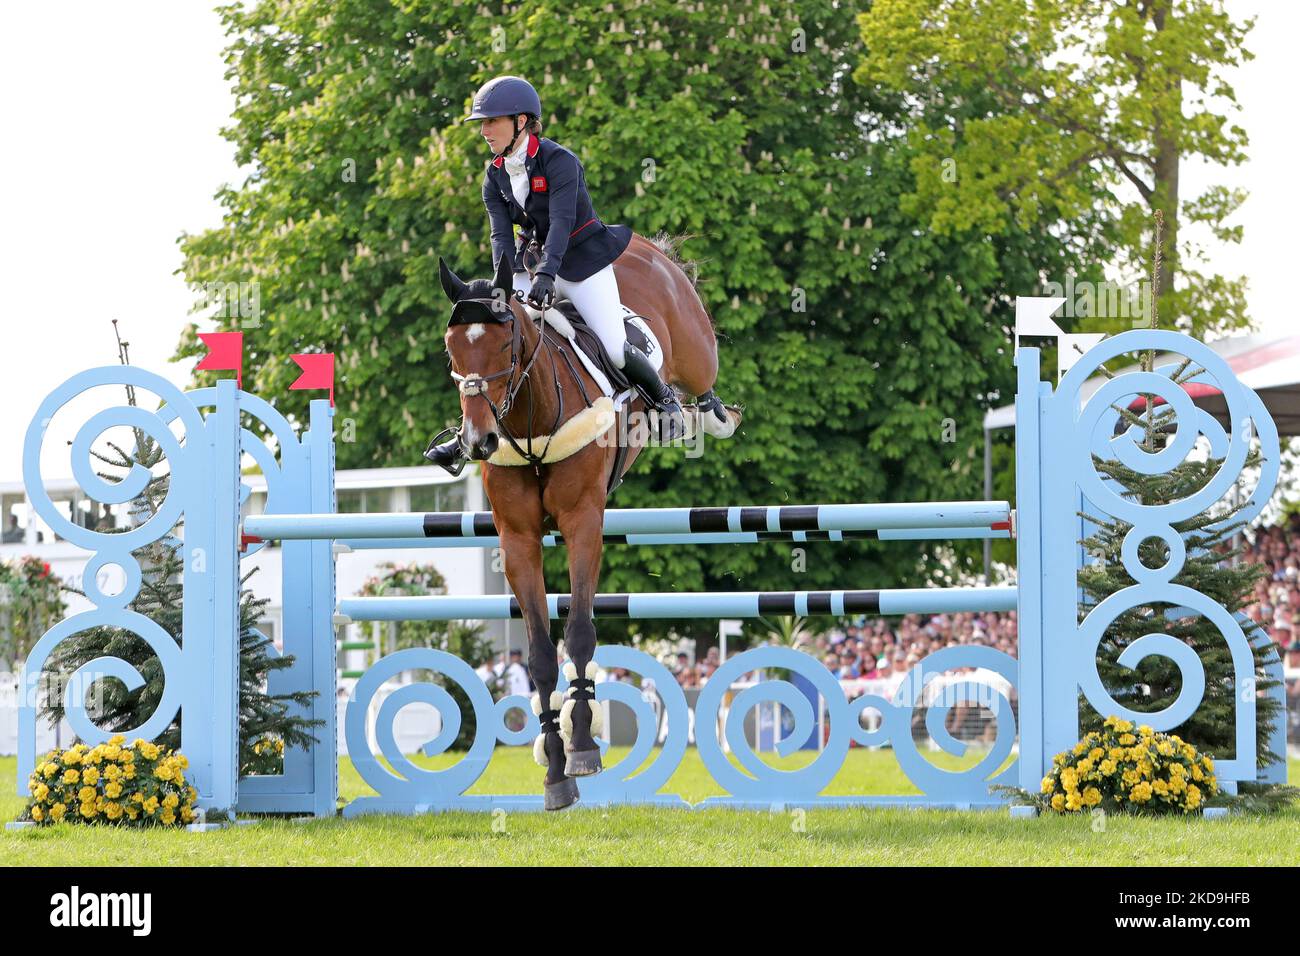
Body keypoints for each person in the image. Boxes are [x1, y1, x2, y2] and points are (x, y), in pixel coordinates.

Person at [424, 75, 685, 472]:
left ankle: (665, 400)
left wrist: (548, 275)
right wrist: (504, 285)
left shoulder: (560, 162)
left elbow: (561, 224)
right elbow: (500, 235)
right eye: (482, 123)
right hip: (532, 267)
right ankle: (469, 436)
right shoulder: (494, 175)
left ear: (522, 121)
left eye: (491, 121)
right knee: (497, 337)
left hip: (582, 266)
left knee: (614, 346)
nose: (483, 130)